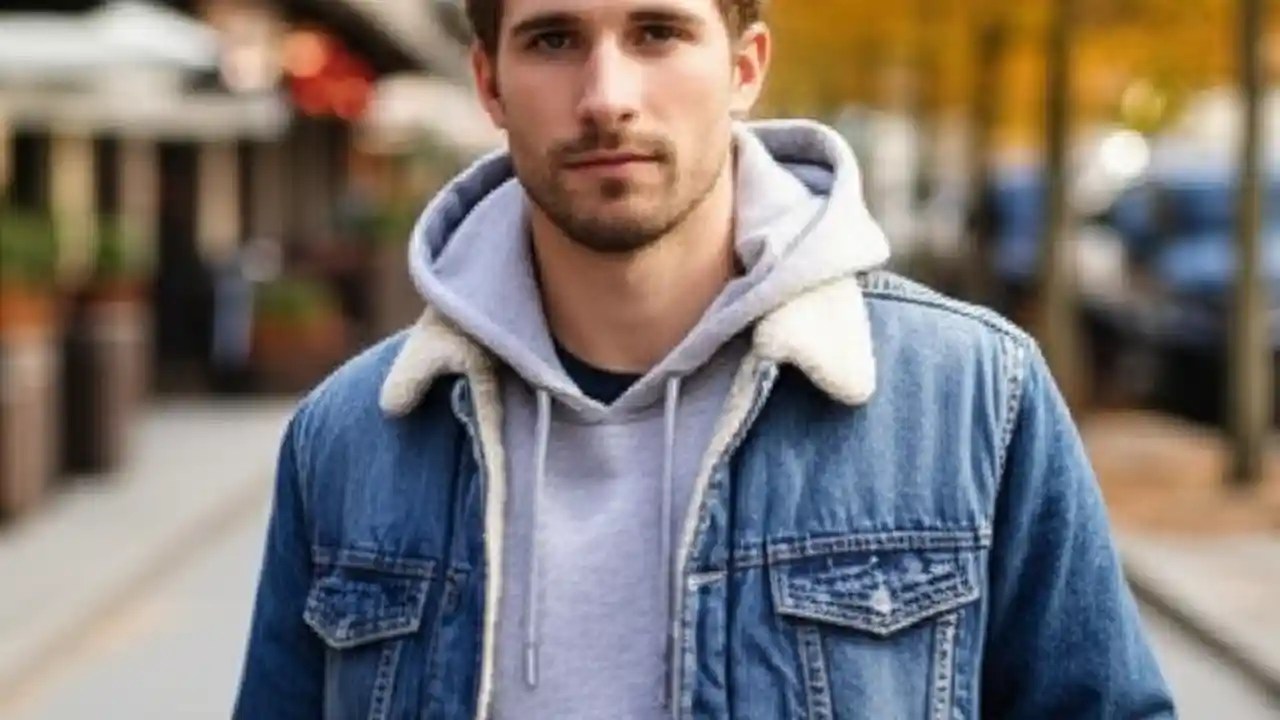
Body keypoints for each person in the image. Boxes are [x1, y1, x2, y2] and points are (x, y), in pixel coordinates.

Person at [233, 0, 1176, 717]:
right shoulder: (349, 437)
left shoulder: (973, 397)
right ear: (489, 83)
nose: (607, 98)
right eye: (553, 39)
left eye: (656, 33)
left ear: (744, 66)